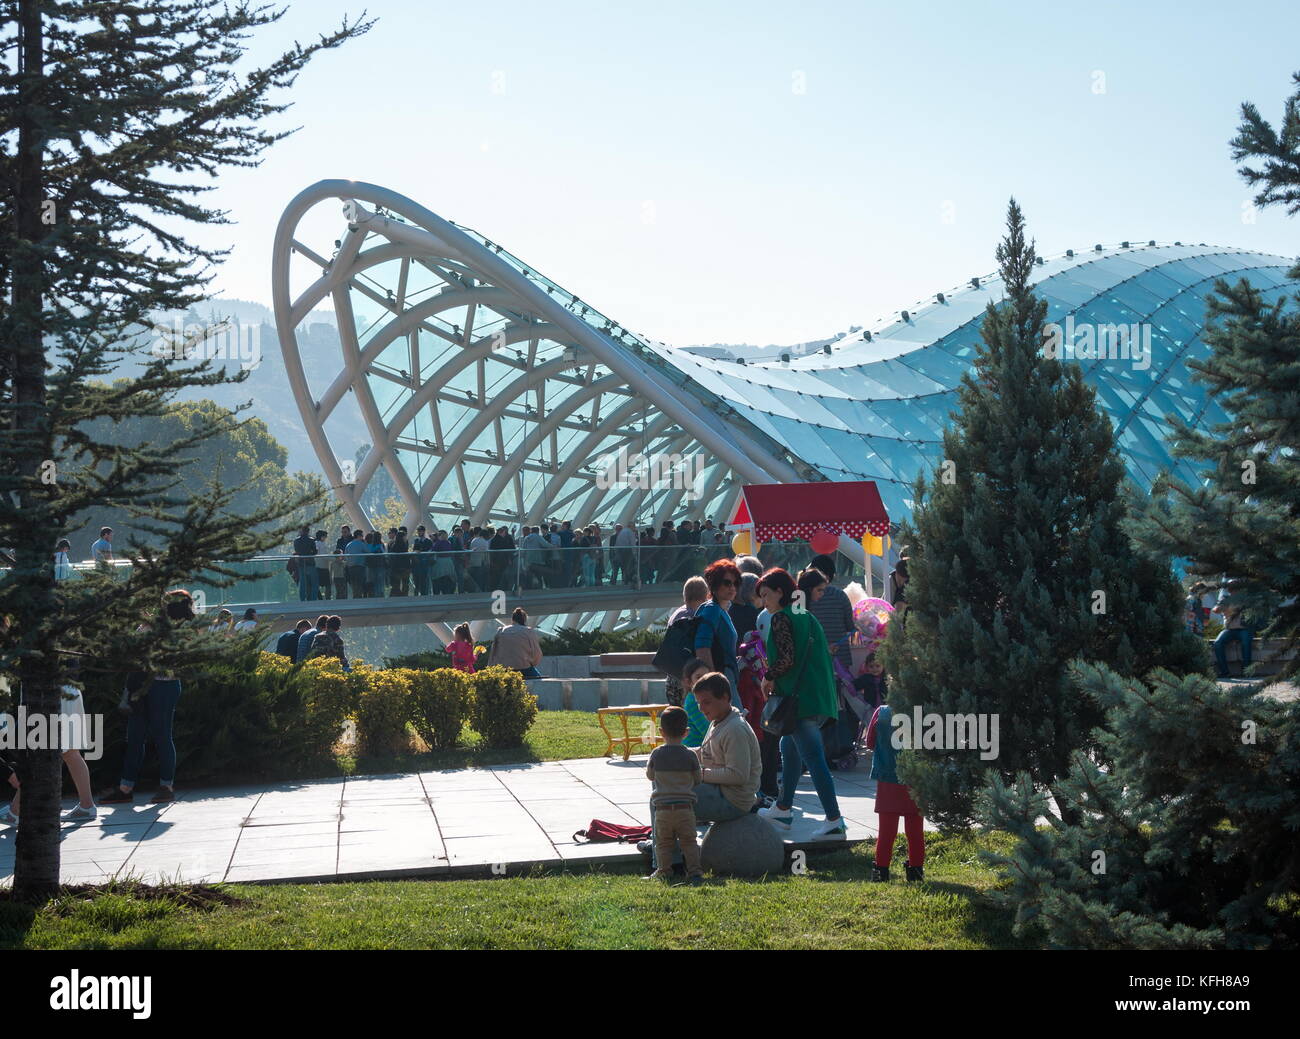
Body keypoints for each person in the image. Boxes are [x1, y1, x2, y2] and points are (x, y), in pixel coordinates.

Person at [755, 567, 847, 840]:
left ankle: (833, 819)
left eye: (766, 595)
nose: (764, 602)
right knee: (788, 747)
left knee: (814, 759)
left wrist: (767, 677)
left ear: (780, 592)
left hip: (798, 701)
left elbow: (785, 659)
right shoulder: (805, 615)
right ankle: (783, 808)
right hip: (817, 697)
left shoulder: (782, 618)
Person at [642, 672, 760, 872]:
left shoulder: (735, 729)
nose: (701, 708)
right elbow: (705, 752)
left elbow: (738, 775)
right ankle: (666, 848)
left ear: (724, 697)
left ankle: (666, 861)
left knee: (661, 797)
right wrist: (675, 753)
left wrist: (699, 772)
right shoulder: (719, 721)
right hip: (720, 790)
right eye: (698, 703)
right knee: (663, 782)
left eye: (706, 702)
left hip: (733, 800)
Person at [99, 589, 196, 805]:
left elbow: (137, 653)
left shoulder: (163, 627)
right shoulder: (176, 627)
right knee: (151, 736)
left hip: (154, 685)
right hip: (158, 686)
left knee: (146, 736)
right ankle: (151, 786)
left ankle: (139, 787)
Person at [644, 706, 704, 885]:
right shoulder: (690, 755)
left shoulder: (656, 754)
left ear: (661, 732)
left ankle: (664, 870)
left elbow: (650, 775)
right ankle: (694, 872)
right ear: (686, 732)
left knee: (662, 843)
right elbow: (698, 779)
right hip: (685, 809)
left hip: (662, 811)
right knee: (689, 842)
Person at [866, 700, 925, 882]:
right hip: (916, 780)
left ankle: (881, 870)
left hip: (888, 780)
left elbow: (870, 742)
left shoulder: (881, 712)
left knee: (887, 831)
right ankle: (916, 870)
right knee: (915, 831)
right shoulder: (925, 712)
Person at [694, 559, 741, 696]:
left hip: (725, 676)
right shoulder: (712, 610)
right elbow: (701, 646)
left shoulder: (720, 610)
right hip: (720, 679)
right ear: (714, 584)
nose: (732, 587)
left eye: (736, 583)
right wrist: (713, 681)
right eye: (727, 583)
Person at [664, 576, 710, 708]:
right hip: (688, 678)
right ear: (705, 595)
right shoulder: (697, 617)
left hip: (672, 676)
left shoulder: (676, 614)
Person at [809, 552, 854, 678]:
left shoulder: (805, 597)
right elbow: (850, 627)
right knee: (840, 693)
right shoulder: (840, 595)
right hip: (840, 656)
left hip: (815, 656)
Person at [1213, 580, 1254, 678]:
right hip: (1230, 629)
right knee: (1217, 643)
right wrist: (1221, 607)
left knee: (1246, 642)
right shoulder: (1226, 599)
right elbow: (1215, 610)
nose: (1233, 590)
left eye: (1235, 588)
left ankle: (1246, 670)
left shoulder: (1246, 599)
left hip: (1244, 628)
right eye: (1231, 588)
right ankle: (1225, 671)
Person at [489, 607, 543, 678]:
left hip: (504, 669)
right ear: (524, 619)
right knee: (538, 679)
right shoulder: (528, 631)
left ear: (512, 619)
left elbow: (493, 653)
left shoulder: (501, 631)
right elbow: (537, 654)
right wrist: (531, 663)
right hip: (524, 668)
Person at [680, 657, 711, 747]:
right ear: (689, 682)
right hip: (694, 751)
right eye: (698, 677)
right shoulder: (693, 701)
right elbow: (707, 731)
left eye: (707, 677)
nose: (704, 681)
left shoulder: (703, 698)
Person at [344, 530, 370, 599]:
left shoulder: (348, 545)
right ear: (358, 536)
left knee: (354, 584)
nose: (363, 537)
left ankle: (355, 597)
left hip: (351, 567)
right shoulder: (361, 544)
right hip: (360, 566)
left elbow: (346, 556)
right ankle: (360, 597)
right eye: (362, 536)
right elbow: (368, 552)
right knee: (360, 583)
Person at [411, 525, 434, 596]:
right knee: (416, 580)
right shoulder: (416, 540)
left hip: (425, 563)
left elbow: (430, 551)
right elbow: (414, 550)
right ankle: (416, 594)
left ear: (423, 531)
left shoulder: (428, 541)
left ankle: (425, 595)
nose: (419, 532)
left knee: (424, 580)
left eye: (420, 531)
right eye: (418, 531)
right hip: (417, 563)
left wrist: (424, 554)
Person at [388, 527, 410, 596]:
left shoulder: (393, 545)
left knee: (396, 584)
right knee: (405, 583)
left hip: (395, 567)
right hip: (404, 567)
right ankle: (404, 596)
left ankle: (396, 596)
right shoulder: (404, 545)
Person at [315, 529, 332, 600]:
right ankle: (327, 599)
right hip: (323, 568)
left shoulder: (315, 543)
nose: (326, 538)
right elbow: (325, 556)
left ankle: (319, 598)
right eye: (325, 537)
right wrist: (334, 558)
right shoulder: (322, 544)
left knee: (316, 584)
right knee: (328, 585)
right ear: (322, 537)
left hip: (316, 566)